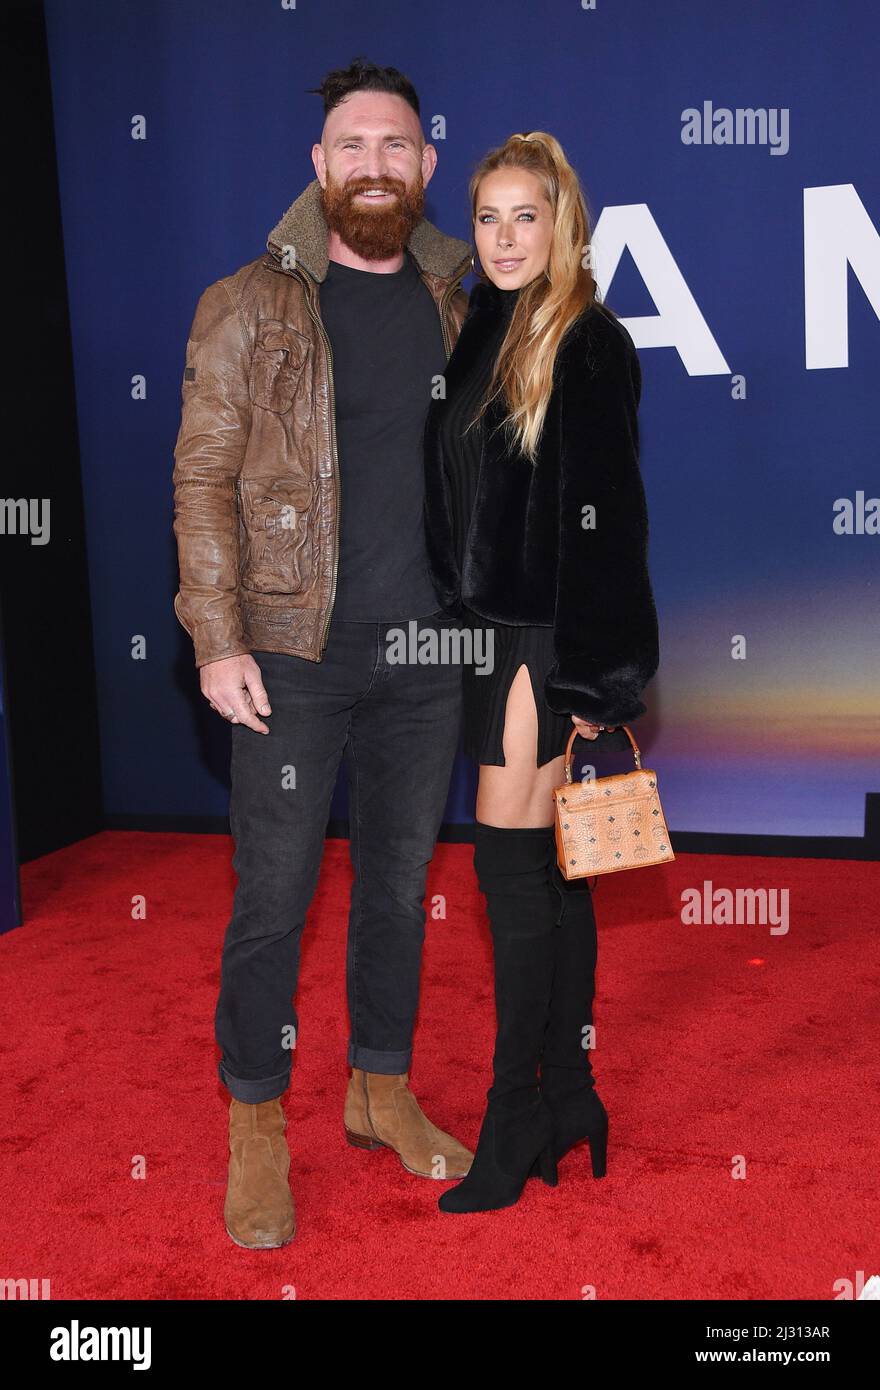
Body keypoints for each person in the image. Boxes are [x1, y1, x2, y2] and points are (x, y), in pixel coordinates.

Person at [172, 58, 476, 1249]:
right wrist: (214, 638)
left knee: (400, 887)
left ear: (425, 165)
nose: (373, 166)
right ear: (318, 166)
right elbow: (201, 481)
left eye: (395, 146)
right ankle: (255, 1120)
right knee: (275, 898)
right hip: (288, 653)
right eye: (352, 146)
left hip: (426, 651)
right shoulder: (248, 301)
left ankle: (377, 1087)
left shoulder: (462, 295)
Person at [422, 131, 660, 1213]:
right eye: (488, 217)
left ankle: (514, 1109)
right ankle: (569, 1092)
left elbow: (608, 529)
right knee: (552, 876)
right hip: (487, 639)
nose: (506, 237)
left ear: (563, 224)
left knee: (511, 876)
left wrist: (590, 683)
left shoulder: (587, 340)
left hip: (539, 645)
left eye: (526, 216)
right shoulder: (480, 331)